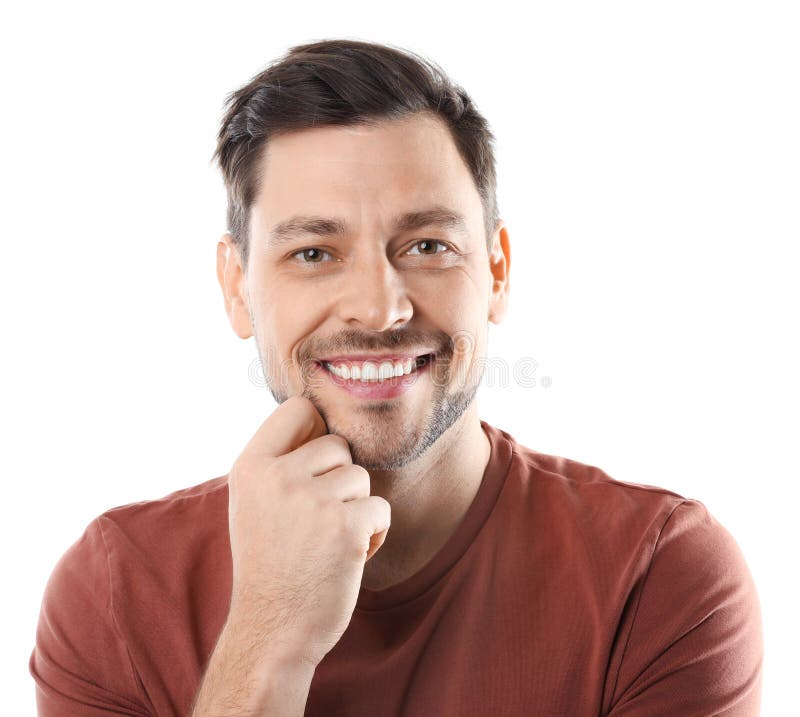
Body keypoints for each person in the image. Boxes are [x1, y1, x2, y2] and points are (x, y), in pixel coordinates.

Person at [29, 38, 763, 716]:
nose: (380, 308)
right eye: (314, 252)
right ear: (237, 287)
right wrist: (270, 636)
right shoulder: (115, 594)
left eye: (427, 244)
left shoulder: (660, 577)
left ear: (497, 271)